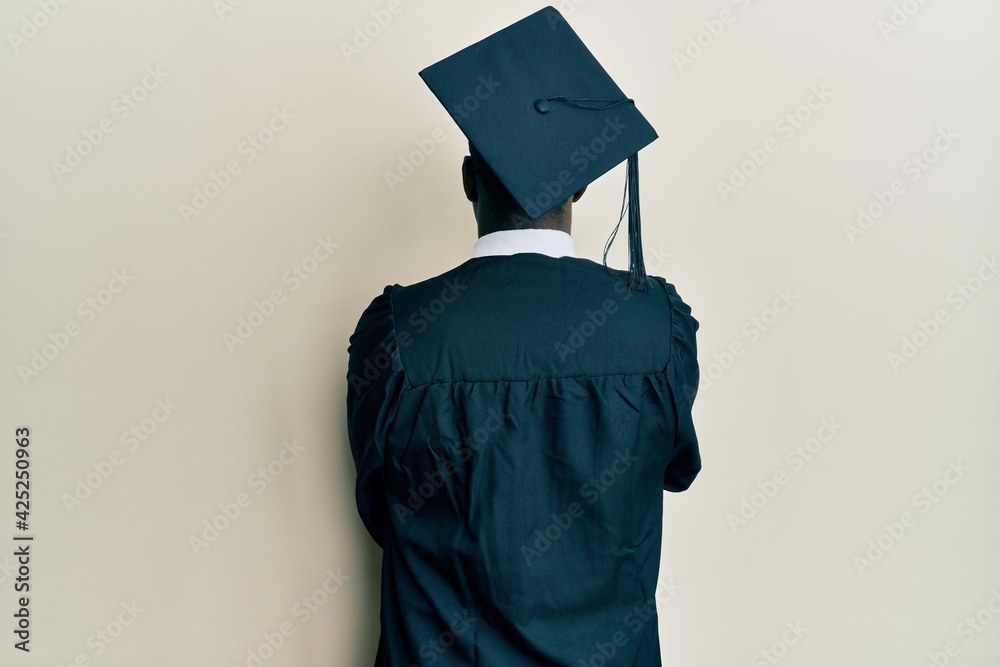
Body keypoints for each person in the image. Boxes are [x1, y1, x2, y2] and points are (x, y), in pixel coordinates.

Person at [346, 6, 701, 665]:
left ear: (467, 180)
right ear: (584, 182)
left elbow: (380, 507)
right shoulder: (658, 323)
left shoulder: (397, 334)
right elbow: (671, 466)